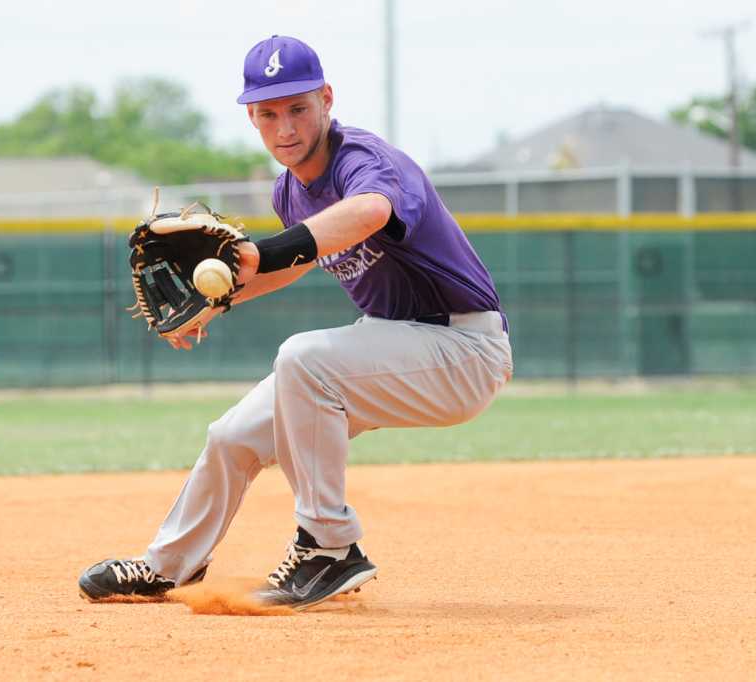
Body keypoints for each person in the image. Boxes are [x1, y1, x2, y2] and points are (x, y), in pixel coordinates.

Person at [78, 35, 513, 610]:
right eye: (268, 114)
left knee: (305, 359)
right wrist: (214, 304)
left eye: (298, 108)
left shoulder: (362, 160)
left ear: (327, 99)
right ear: (252, 119)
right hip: (398, 343)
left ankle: (328, 547)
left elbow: (369, 211)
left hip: (462, 348)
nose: (285, 127)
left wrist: (268, 250)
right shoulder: (291, 190)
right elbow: (291, 265)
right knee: (233, 436)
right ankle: (169, 565)